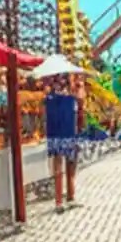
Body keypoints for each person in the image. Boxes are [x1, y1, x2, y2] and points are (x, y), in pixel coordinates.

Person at [44, 74, 79, 214]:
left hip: (56, 135)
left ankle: (61, 200)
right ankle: (66, 199)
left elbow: (44, 118)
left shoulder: (48, 99)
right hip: (66, 134)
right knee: (68, 167)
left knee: (60, 168)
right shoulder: (70, 99)